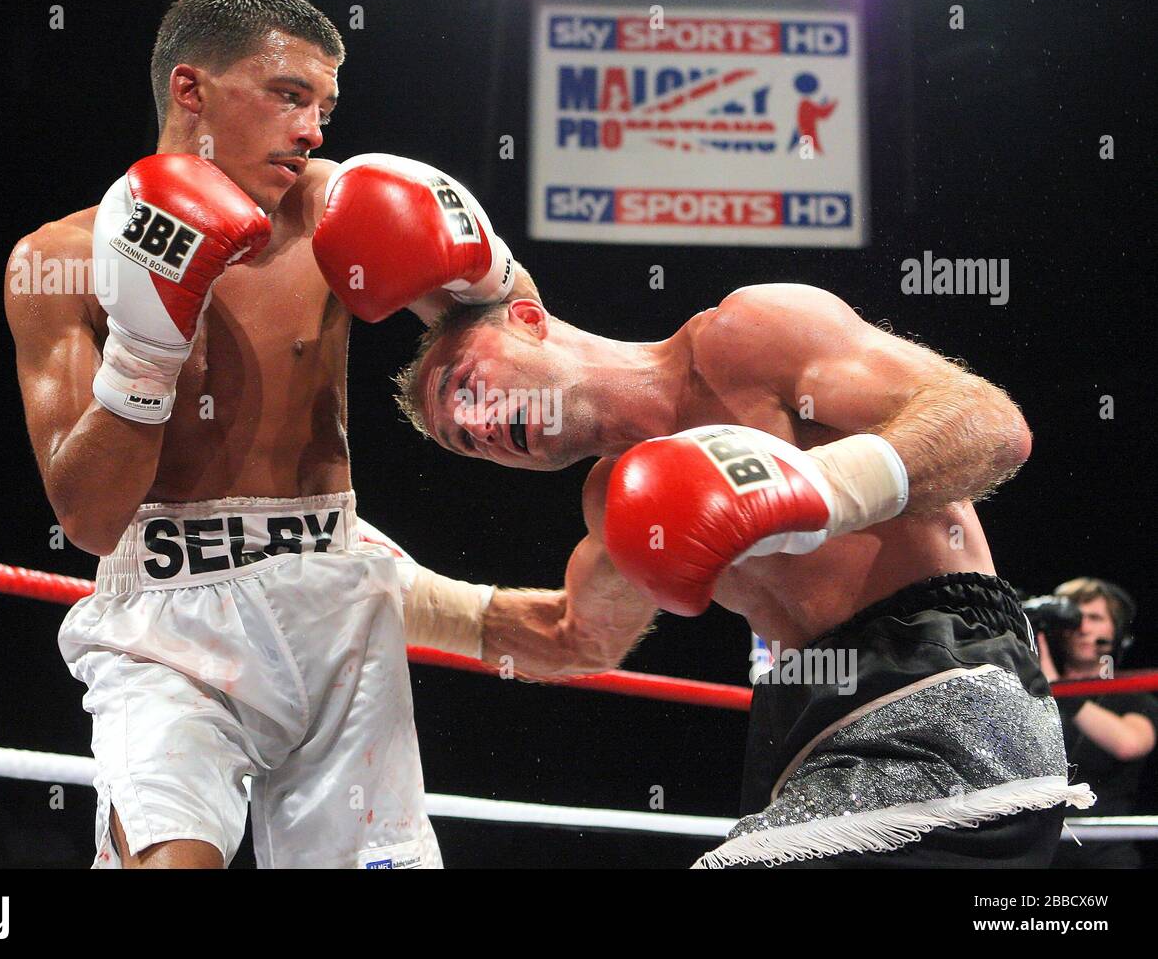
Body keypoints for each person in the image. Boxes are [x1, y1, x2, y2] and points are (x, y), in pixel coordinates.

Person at [4, 0, 652, 870]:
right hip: (165, 612)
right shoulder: (60, 261)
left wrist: (593, 381)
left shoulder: (336, 210)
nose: (313, 129)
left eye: (324, 106)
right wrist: (147, 352)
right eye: (288, 96)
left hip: (332, 587)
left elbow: (511, 320)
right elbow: (86, 518)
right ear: (191, 91)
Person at [394, 287, 1095, 867]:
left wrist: (819, 487)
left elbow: (992, 424)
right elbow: (575, 636)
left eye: (466, 386)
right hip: (805, 737)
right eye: (461, 438)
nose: (476, 424)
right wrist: (402, 598)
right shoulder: (615, 503)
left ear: (527, 318)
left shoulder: (745, 339)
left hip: (946, 686)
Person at [1042, 578, 1157, 868]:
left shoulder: (1131, 698)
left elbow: (1129, 744)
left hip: (1103, 857)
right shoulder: (1031, 696)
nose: (1083, 628)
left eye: (1094, 618)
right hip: (1037, 856)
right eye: (1074, 618)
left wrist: (1060, 689)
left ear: (1115, 631)